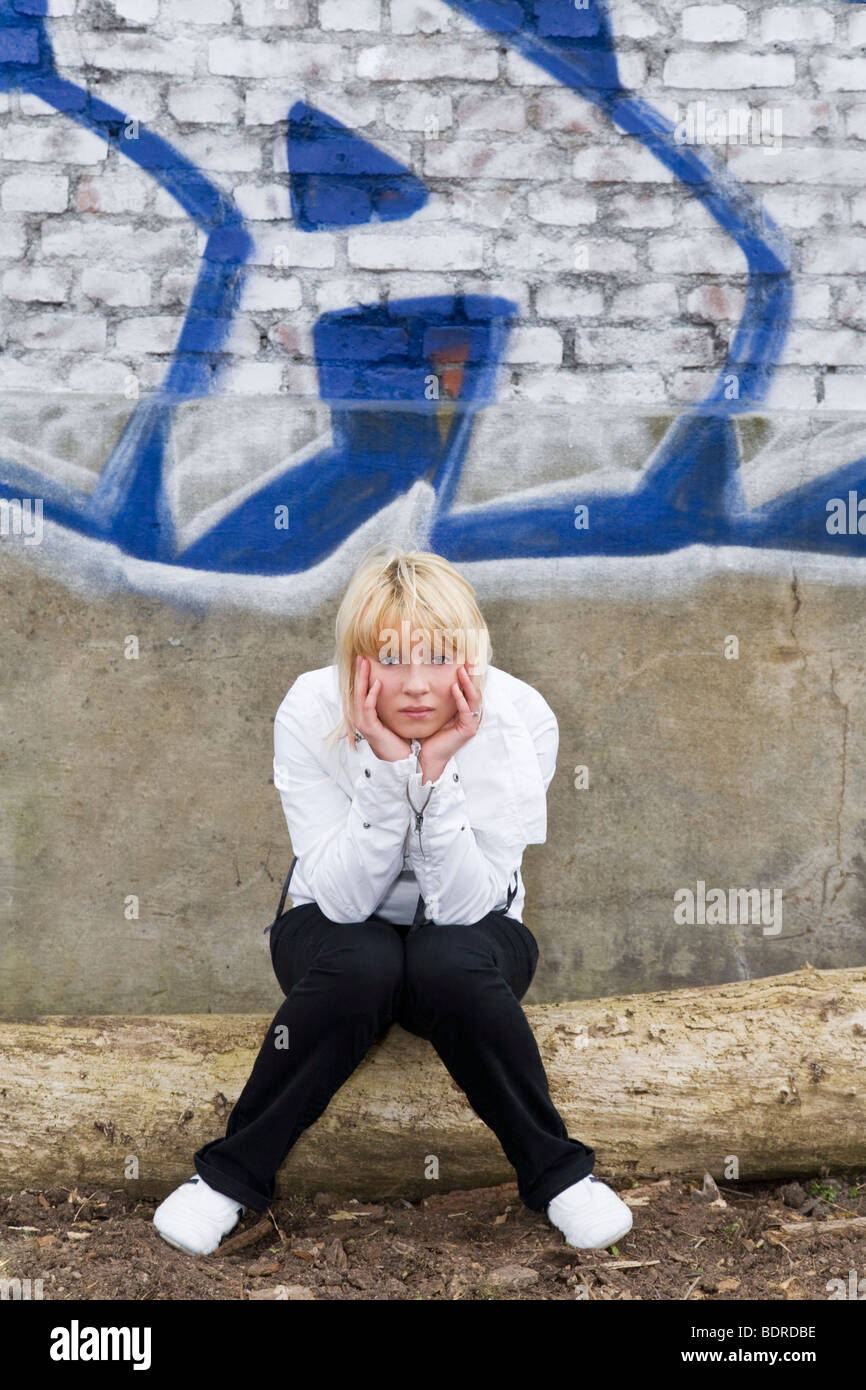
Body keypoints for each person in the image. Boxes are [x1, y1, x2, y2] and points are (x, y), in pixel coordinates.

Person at [153, 543, 633, 1257]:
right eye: (391, 659)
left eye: (438, 658)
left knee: (443, 960)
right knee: (365, 961)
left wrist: (435, 775)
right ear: (355, 661)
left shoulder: (517, 720)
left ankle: (561, 1178)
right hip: (332, 934)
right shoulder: (310, 708)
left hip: (475, 939)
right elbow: (343, 901)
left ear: (470, 658)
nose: (416, 686)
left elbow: (471, 905)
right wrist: (384, 766)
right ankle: (226, 1181)